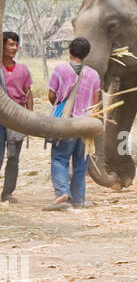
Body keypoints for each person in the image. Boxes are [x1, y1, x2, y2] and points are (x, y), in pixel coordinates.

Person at [46, 37, 102, 210]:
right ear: (86, 55)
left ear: (69, 50)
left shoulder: (60, 70)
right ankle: (78, 200)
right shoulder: (93, 74)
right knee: (80, 164)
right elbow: (95, 102)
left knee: (59, 158)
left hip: (66, 123)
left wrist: (61, 104)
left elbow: (51, 96)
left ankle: (62, 192)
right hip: (85, 125)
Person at [1, 30, 33, 203]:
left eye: (16, 45)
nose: (14, 48)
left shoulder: (23, 70)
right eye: (10, 44)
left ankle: (7, 193)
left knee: (13, 158)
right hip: (0, 118)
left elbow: (28, 93)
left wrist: (29, 117)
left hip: (17, 118)